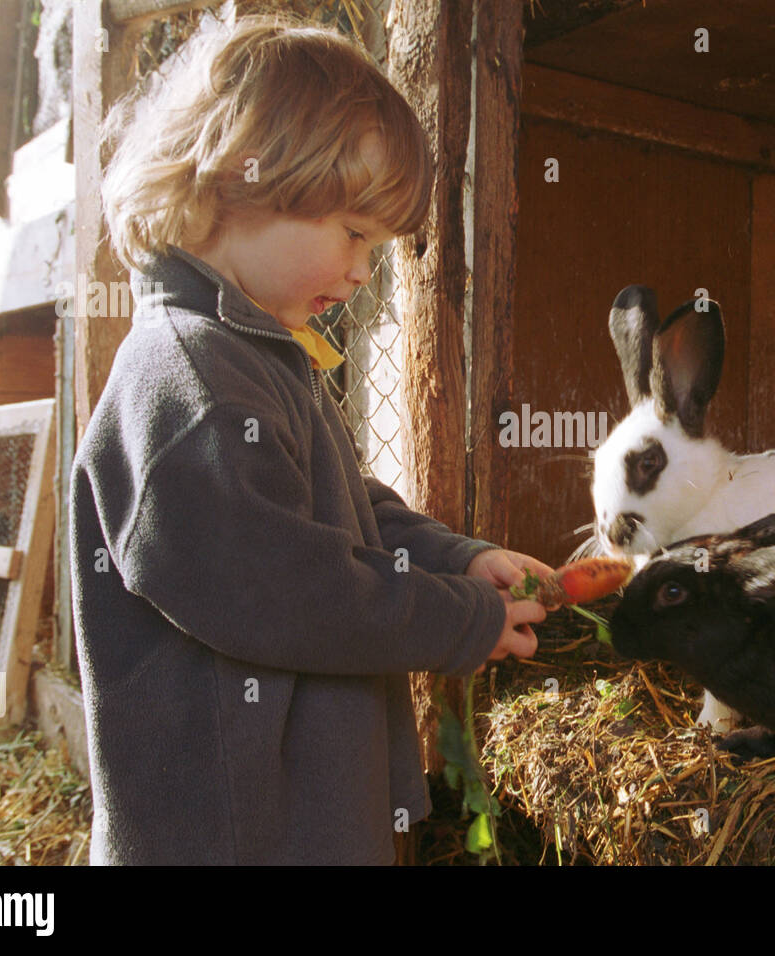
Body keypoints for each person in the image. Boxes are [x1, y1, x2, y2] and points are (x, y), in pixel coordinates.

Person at [69, 13, 549, 865]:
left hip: (305, 825)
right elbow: (290, 588)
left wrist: (452, 558)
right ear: (235, 182)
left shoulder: (258, 356)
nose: (366, 270)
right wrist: (455, 619)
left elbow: (346, 515)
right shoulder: (189, 382)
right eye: (354, 234)